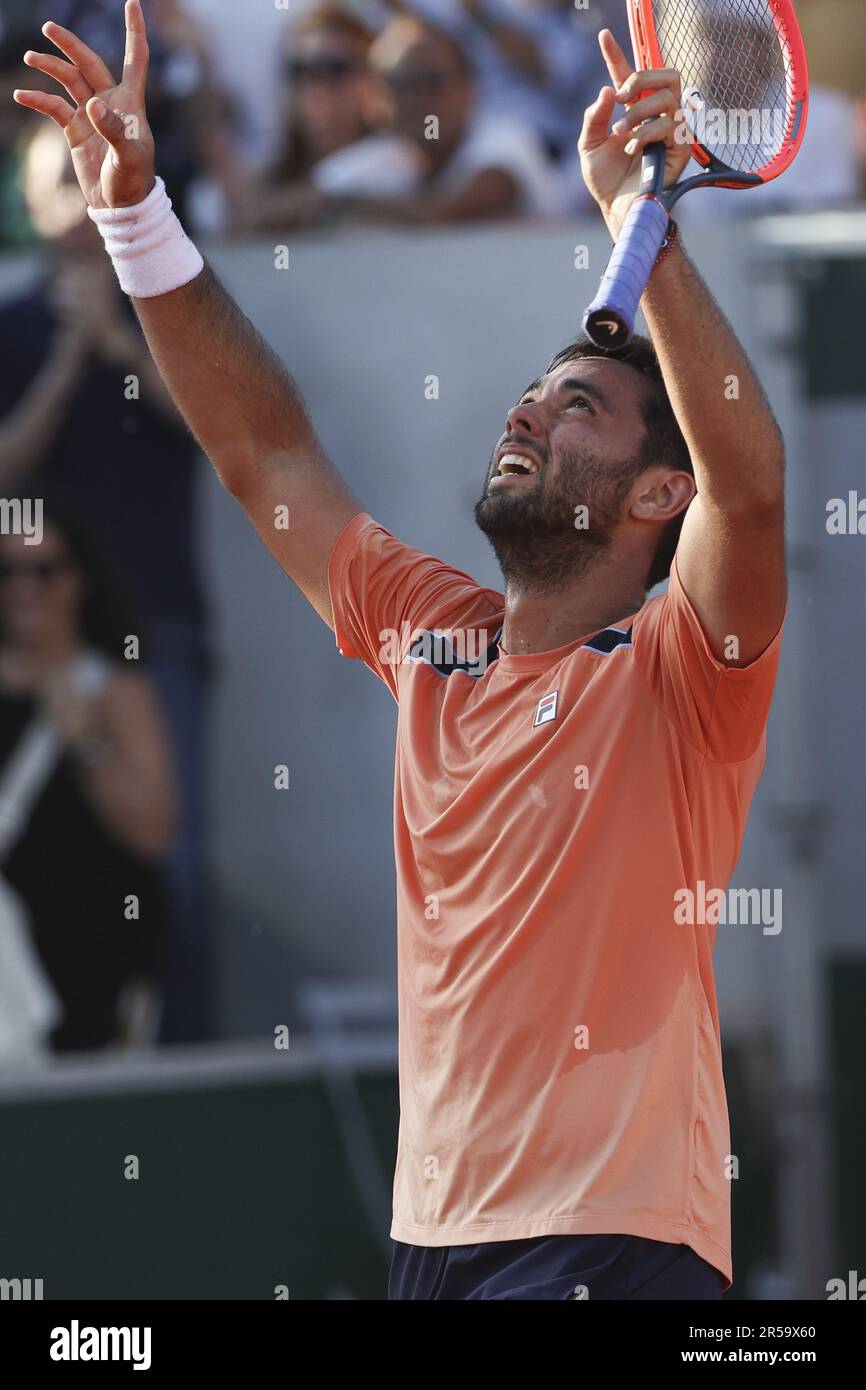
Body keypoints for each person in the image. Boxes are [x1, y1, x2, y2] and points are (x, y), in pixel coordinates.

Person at [14, 1, 786, 1296]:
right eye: (533, 392)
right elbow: (264, 452)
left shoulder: (679, 666)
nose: (529, 410)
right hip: (431, 1243)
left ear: (658, 498)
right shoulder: (431, 634)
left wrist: (636, 237)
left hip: (612, 1237)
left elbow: (751, 492)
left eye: (578, 405)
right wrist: (137, 216)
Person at [0, 117, 214, 1044]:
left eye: (96, 190)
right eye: (63, 191)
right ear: (35, 209)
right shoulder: (10, 327)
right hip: (19, 627)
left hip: (152, 621)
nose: (82, 212)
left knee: (173, 857)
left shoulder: (179, 306)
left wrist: (121, 344)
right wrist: (64, 361)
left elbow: (228, 436)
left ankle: (182, 1081)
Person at [0, 497, 176, 1051]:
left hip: (89, 971)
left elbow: (152, 831)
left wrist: (88, 743)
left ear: (80, 578)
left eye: (46, 570)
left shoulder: (112, 687)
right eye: (7, 571)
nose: (26, 589)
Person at [308, 14, 563, 224]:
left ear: (469, 88)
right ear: (377, 98)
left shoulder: (507, 141)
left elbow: (446, 215)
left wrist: (341, 205)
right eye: (401, 85)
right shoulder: (367, 165)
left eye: (432, 81)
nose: (417, 98)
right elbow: (306, 203)